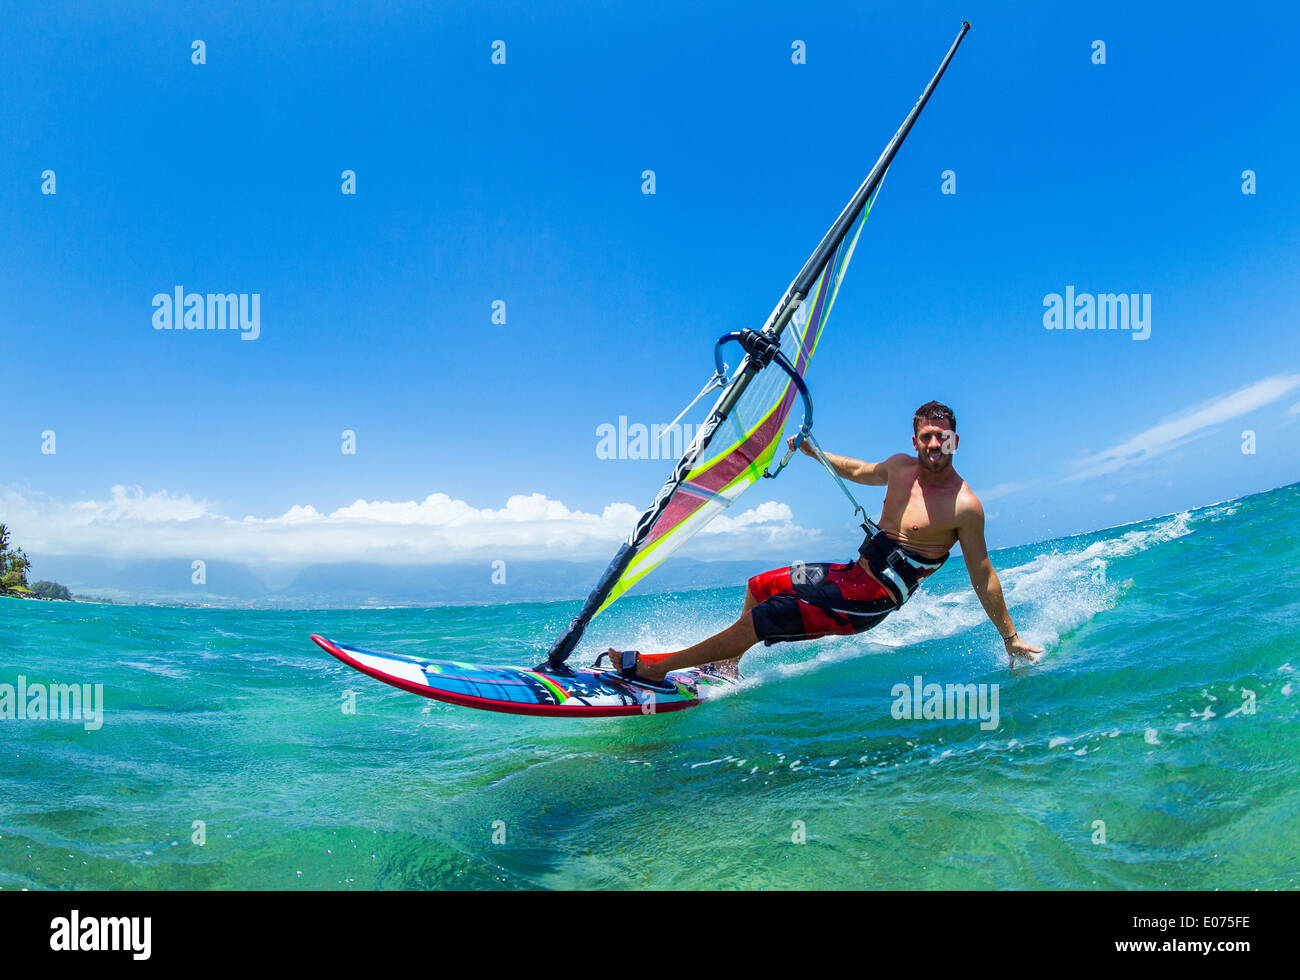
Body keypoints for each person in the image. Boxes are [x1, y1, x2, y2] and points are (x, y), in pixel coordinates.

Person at [600, 401, 1042, 691]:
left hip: (870, 601)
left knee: (768, 618)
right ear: (915, 440)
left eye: (941, 437)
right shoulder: (900, 467)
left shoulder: (965, 506)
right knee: (762, 586)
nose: (933, 444)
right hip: (850, 575)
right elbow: (862, 470)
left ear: (955, 441)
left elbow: (982, 573)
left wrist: (1011, 637)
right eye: (925, 436)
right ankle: (727, 667)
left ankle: (658, 667)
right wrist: (816, 454)